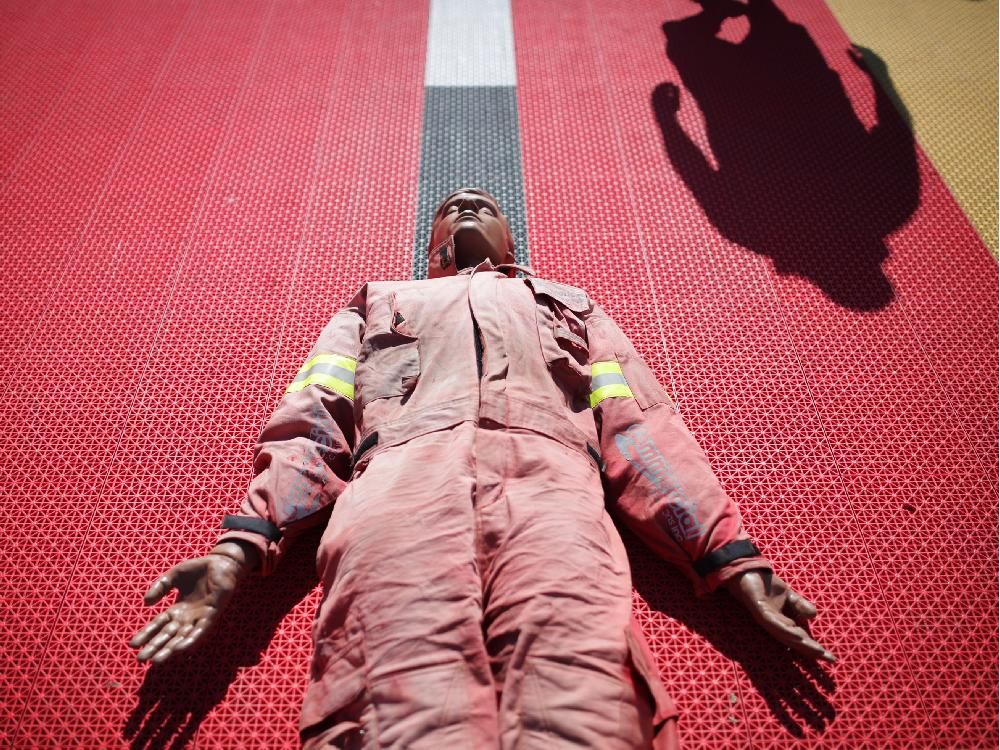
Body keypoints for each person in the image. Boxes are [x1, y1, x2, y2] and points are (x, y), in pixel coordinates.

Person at [130, 188, 834, 749]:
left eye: (485, 206)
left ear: (511, 243)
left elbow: (642, 430)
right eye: (449, 207)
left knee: (584, 700)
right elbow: (312, 423)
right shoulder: (377, 302)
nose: (466, 203)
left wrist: (729, 556)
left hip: (555, 495)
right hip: (400, 495)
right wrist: (239, 547)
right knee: (398, 706)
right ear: (429, 247)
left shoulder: (568, 303)